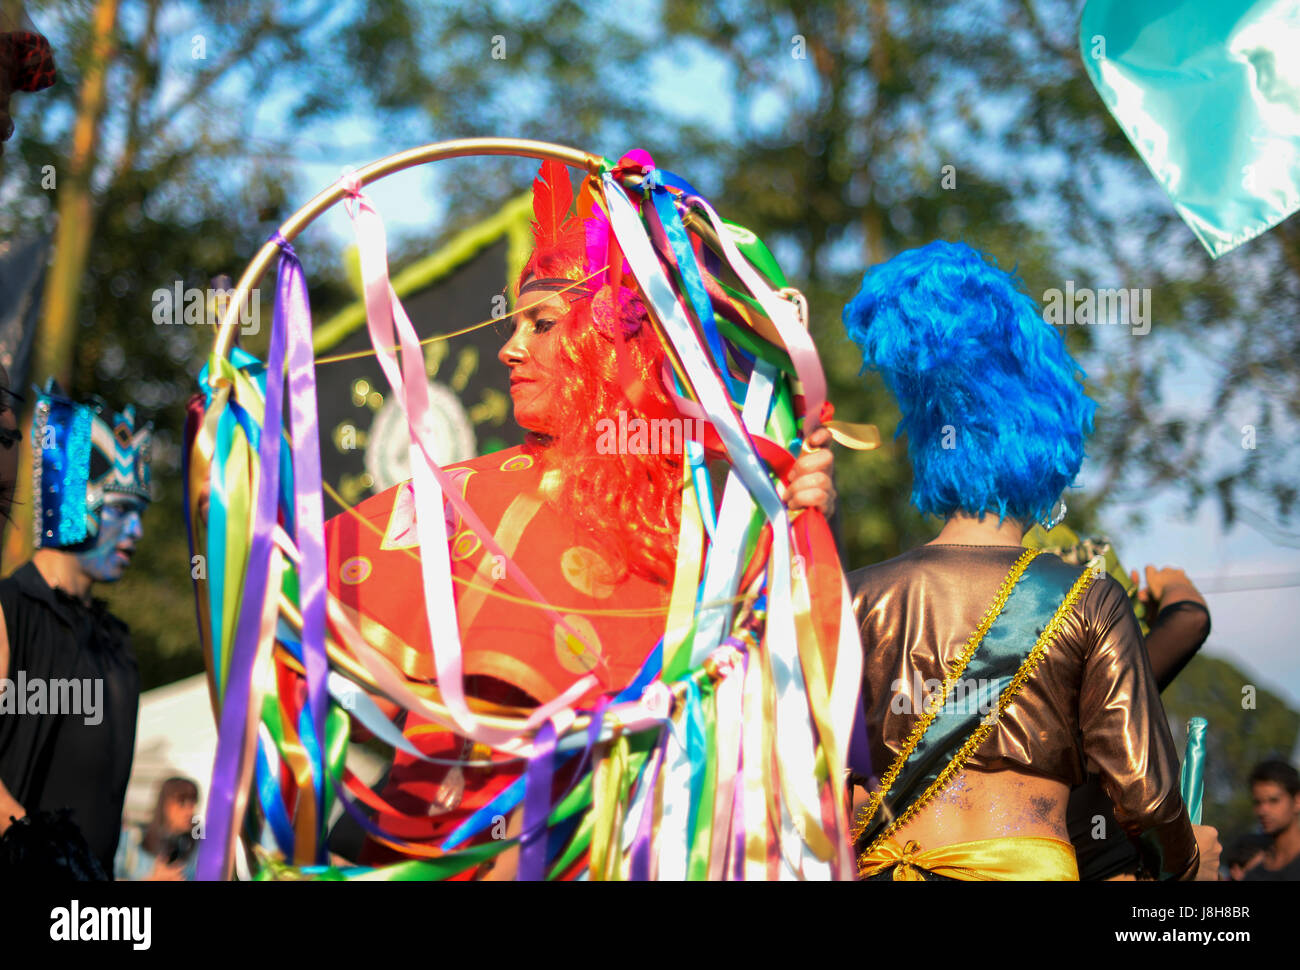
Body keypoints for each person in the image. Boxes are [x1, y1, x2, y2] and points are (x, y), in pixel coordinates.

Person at [322, 157, 836, 875]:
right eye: (516, 324)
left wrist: (797, 516)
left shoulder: (699, 529)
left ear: (609, 339)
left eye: (541, 323)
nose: (508, 348)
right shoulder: (454, 494)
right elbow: (274, 596)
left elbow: (785, 681)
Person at [841, 241, 1199, 880]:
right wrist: (1187, 866)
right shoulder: (1090, 598)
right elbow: (1146, 794)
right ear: (1047, 451)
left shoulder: (851, 596)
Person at [0, 380, 152, 877]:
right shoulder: (7, 611)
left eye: (140, 514)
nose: (136, 532)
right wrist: (47, 862)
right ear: (74, 502)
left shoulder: (117, 643)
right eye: (122, 510)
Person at [114, 776, 200, 881]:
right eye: (181, 802)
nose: (189, 811)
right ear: (164, 804)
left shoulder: (199, 846)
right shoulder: (131, 840)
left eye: (193, 803)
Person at [1242, 759, 1300, 880]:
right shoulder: (1254, 874)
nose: (1263, 810)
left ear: (1297, 801)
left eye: (1274, 801)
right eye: (1258, 802)